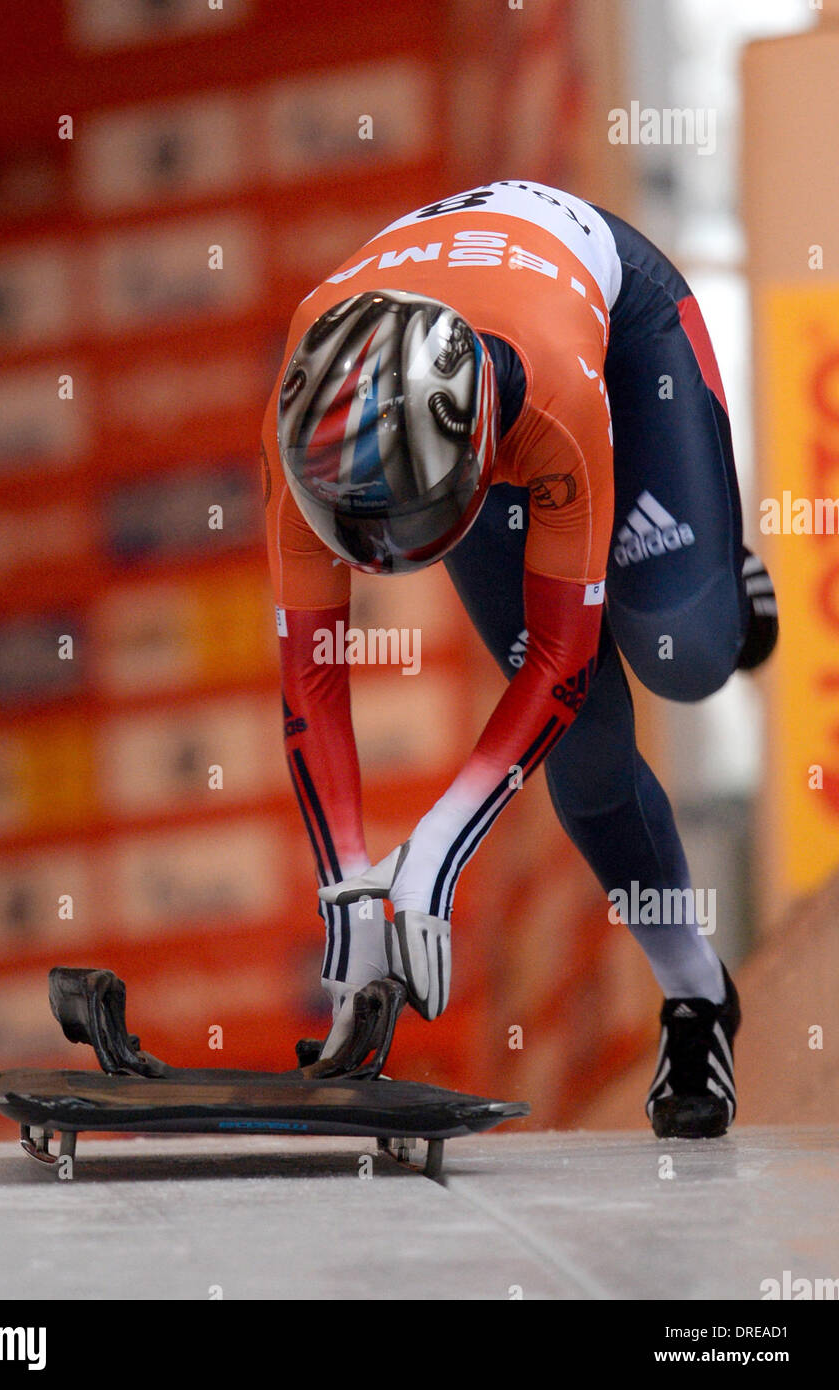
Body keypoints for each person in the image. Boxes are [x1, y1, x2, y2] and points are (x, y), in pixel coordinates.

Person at [259, 180, 777, 1138]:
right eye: (360, 530)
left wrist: (439, 852)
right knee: (587, 757)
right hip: (466, 408)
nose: (383, 552)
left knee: (683, 656)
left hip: (615, 339)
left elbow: (561, 661)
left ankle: (714, 576)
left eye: (408, 521)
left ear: (471, 441)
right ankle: (697, 994)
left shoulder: (554, 394)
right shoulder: (314, 432)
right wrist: (352, 889)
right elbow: (310, 685)